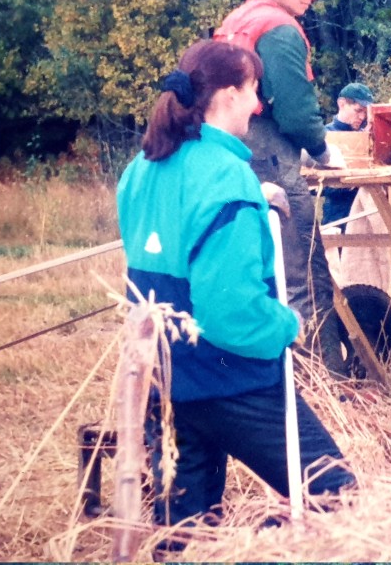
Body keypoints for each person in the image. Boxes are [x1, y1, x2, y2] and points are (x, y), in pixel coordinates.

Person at [117, 39, 355, 539]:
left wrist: (257, 193)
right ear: (227, 95)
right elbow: (231, 316)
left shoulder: (140, 169)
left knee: (183, 534)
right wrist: (287, 324)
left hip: (164, 378)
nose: (259, 104)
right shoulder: (227, 179)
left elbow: (176, 244)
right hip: (230, 379)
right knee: (339, 497)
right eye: (253, 91)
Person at [214, 0, 349, 378]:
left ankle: (268, 378)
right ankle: (324, 389)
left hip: (233, 156)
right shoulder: (280, 29)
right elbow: (294, 111)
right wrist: (325, 150)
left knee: (255, 276)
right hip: (271, 157)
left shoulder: (237, 20)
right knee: (305, 277)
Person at [318, 82, 375, 227]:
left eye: (365, 112)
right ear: (341, 104)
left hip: (368, 214)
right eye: (358, 110)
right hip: (338, 215)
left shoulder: (368, 136)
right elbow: (317, 186)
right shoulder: (325, 136)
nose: (362, 117)